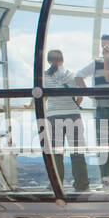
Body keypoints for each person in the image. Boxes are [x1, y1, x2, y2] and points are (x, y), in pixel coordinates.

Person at [42, 48, 89, 192]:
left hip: (53, 116)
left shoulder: (43, 76)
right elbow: (80, 95)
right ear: (62, 59)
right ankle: (81, 184)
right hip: (72, 115)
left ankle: (57, 183)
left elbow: (42, 97)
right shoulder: (71, 75)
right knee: (77, 151)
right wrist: (75, 104)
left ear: (49, 61)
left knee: (56, 153)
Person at [81, 35, 109, 187]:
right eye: (104, 46)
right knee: (103, 144)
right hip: (104, 106)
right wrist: (88, 93)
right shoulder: (97, 63)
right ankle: (107, 179)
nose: (106, 49)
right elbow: (78, 76)